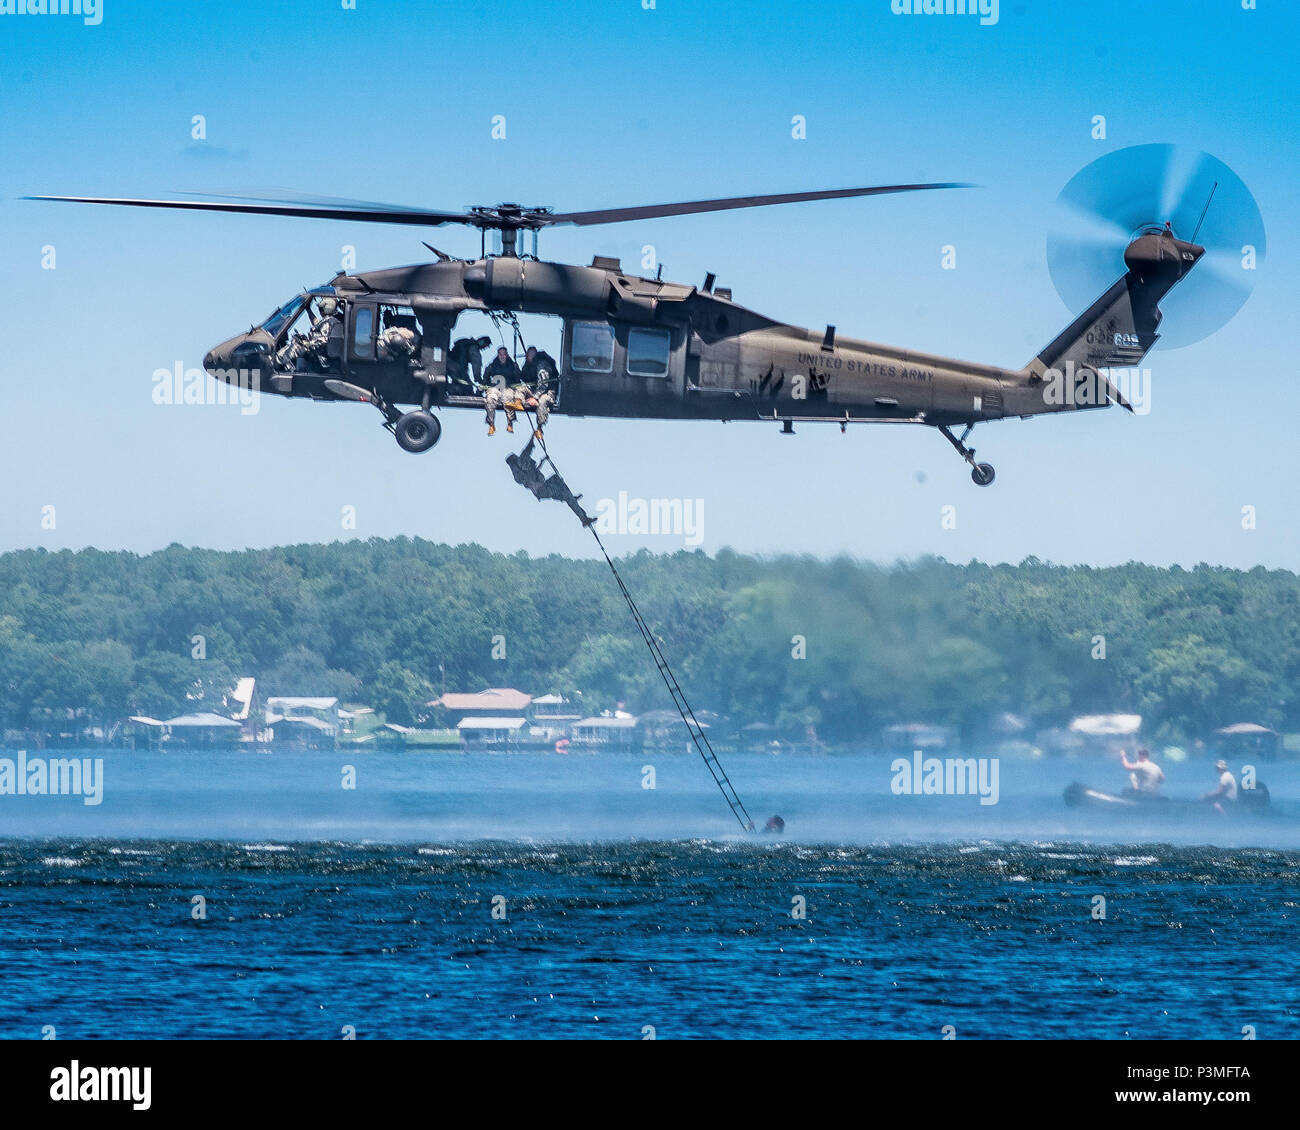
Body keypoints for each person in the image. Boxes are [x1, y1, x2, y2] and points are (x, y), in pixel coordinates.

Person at [276, 296, 341, 370]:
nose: (319, 310)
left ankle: (276, 365)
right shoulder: (329, 320)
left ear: (327, 309)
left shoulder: (330, 321)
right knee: (292, 345)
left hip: (321, 358)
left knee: (295, 348)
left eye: (321, 308)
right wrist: (308, 309)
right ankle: (278, 362)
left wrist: (308, 343)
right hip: (317, 353)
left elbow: (324, 340)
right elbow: (316, 324)